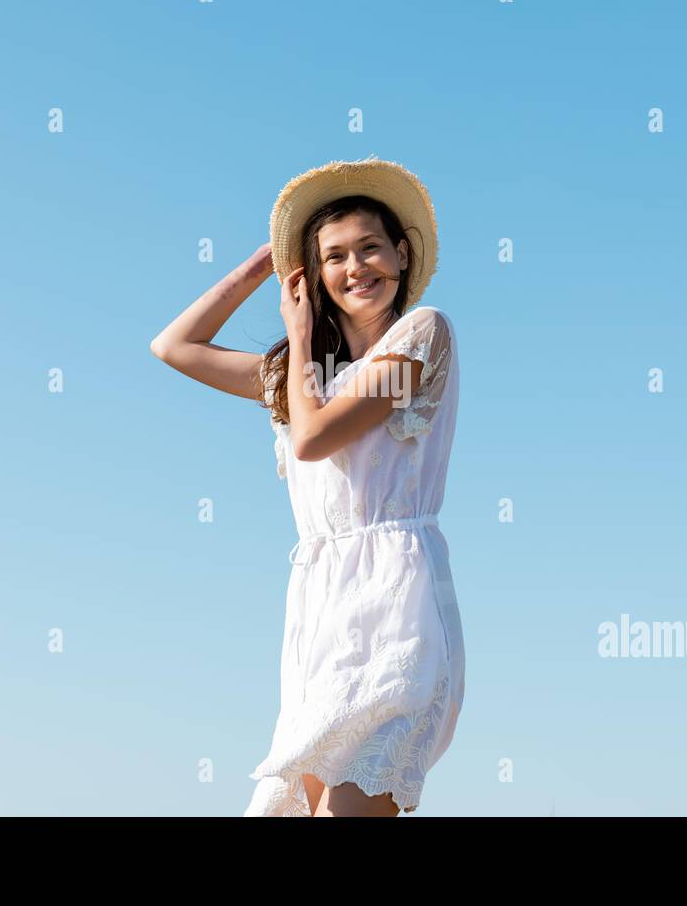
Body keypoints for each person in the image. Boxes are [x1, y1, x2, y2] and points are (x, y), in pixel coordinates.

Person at [151, 156, 465, 816]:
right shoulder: (302, 375)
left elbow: (314, 437)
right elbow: (175, 346)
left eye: (371, 248)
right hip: (320, 614)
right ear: (314, 275)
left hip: (396, 603)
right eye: (335, 257)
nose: (357, 268)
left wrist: (295, 336)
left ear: (402, 256)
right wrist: (263, 265)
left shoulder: (423, 333)